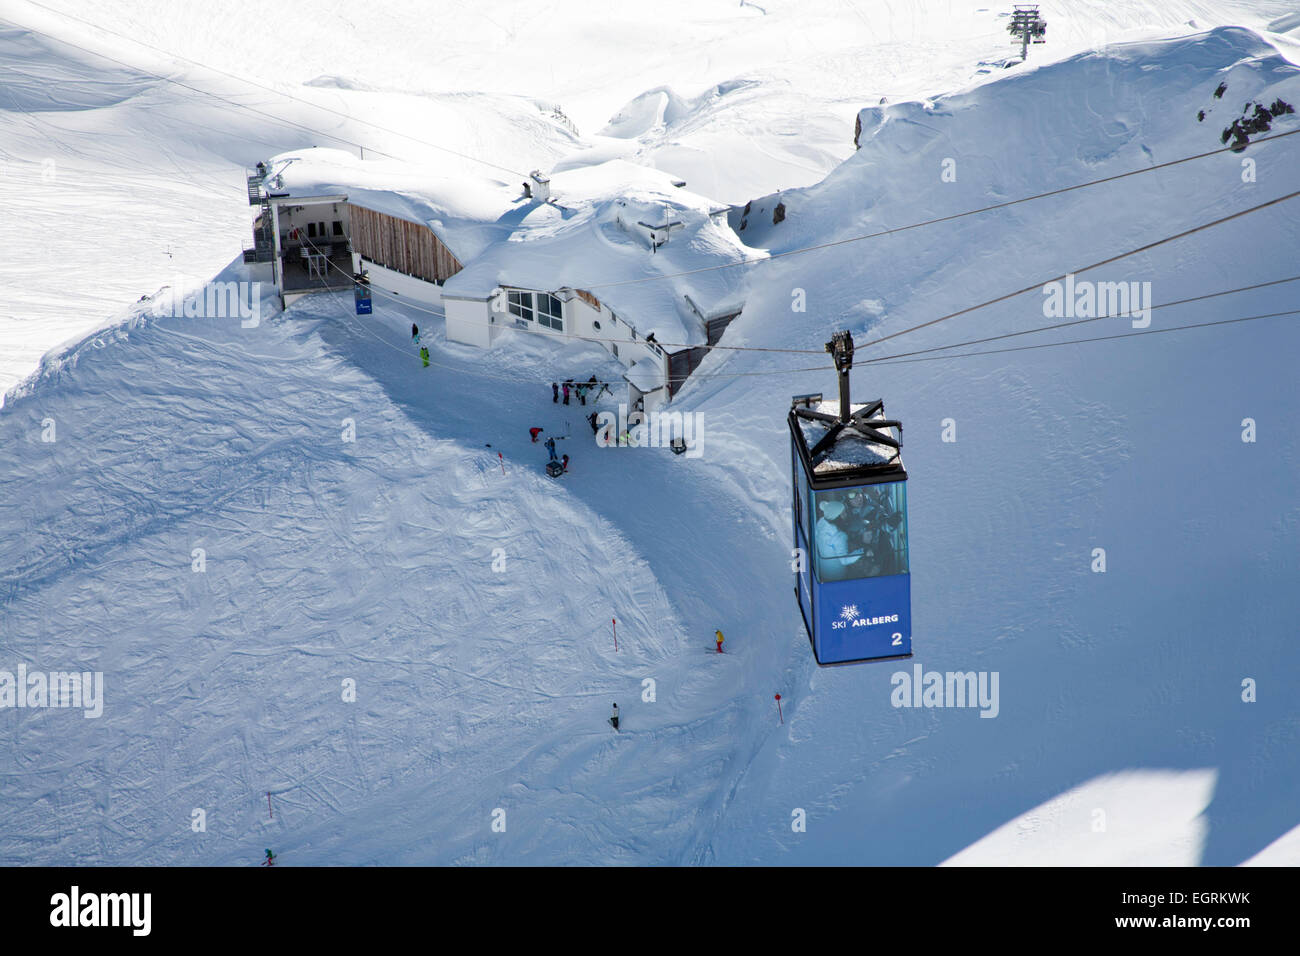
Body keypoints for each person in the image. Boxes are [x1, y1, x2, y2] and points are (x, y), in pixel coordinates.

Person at [815, 499, 863, 581]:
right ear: (836, 517)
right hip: (837, 575)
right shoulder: (839, 536)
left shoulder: (821, 522)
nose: (846, 515)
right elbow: (844, 560)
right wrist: (862, 552)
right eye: (843, 514)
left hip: (822, 569)